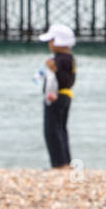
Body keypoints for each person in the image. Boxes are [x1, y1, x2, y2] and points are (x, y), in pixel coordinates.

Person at [39, 23, 77, 169]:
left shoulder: (61, 59)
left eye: (51, 40)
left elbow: (66, 80)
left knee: (52, 130)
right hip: (65, 96)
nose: (49, 44)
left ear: (59, 41)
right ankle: (66, 161)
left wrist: (54, 69)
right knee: (60, 129)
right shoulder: (69, 58)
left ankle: (59, 163)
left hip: (56, 97)